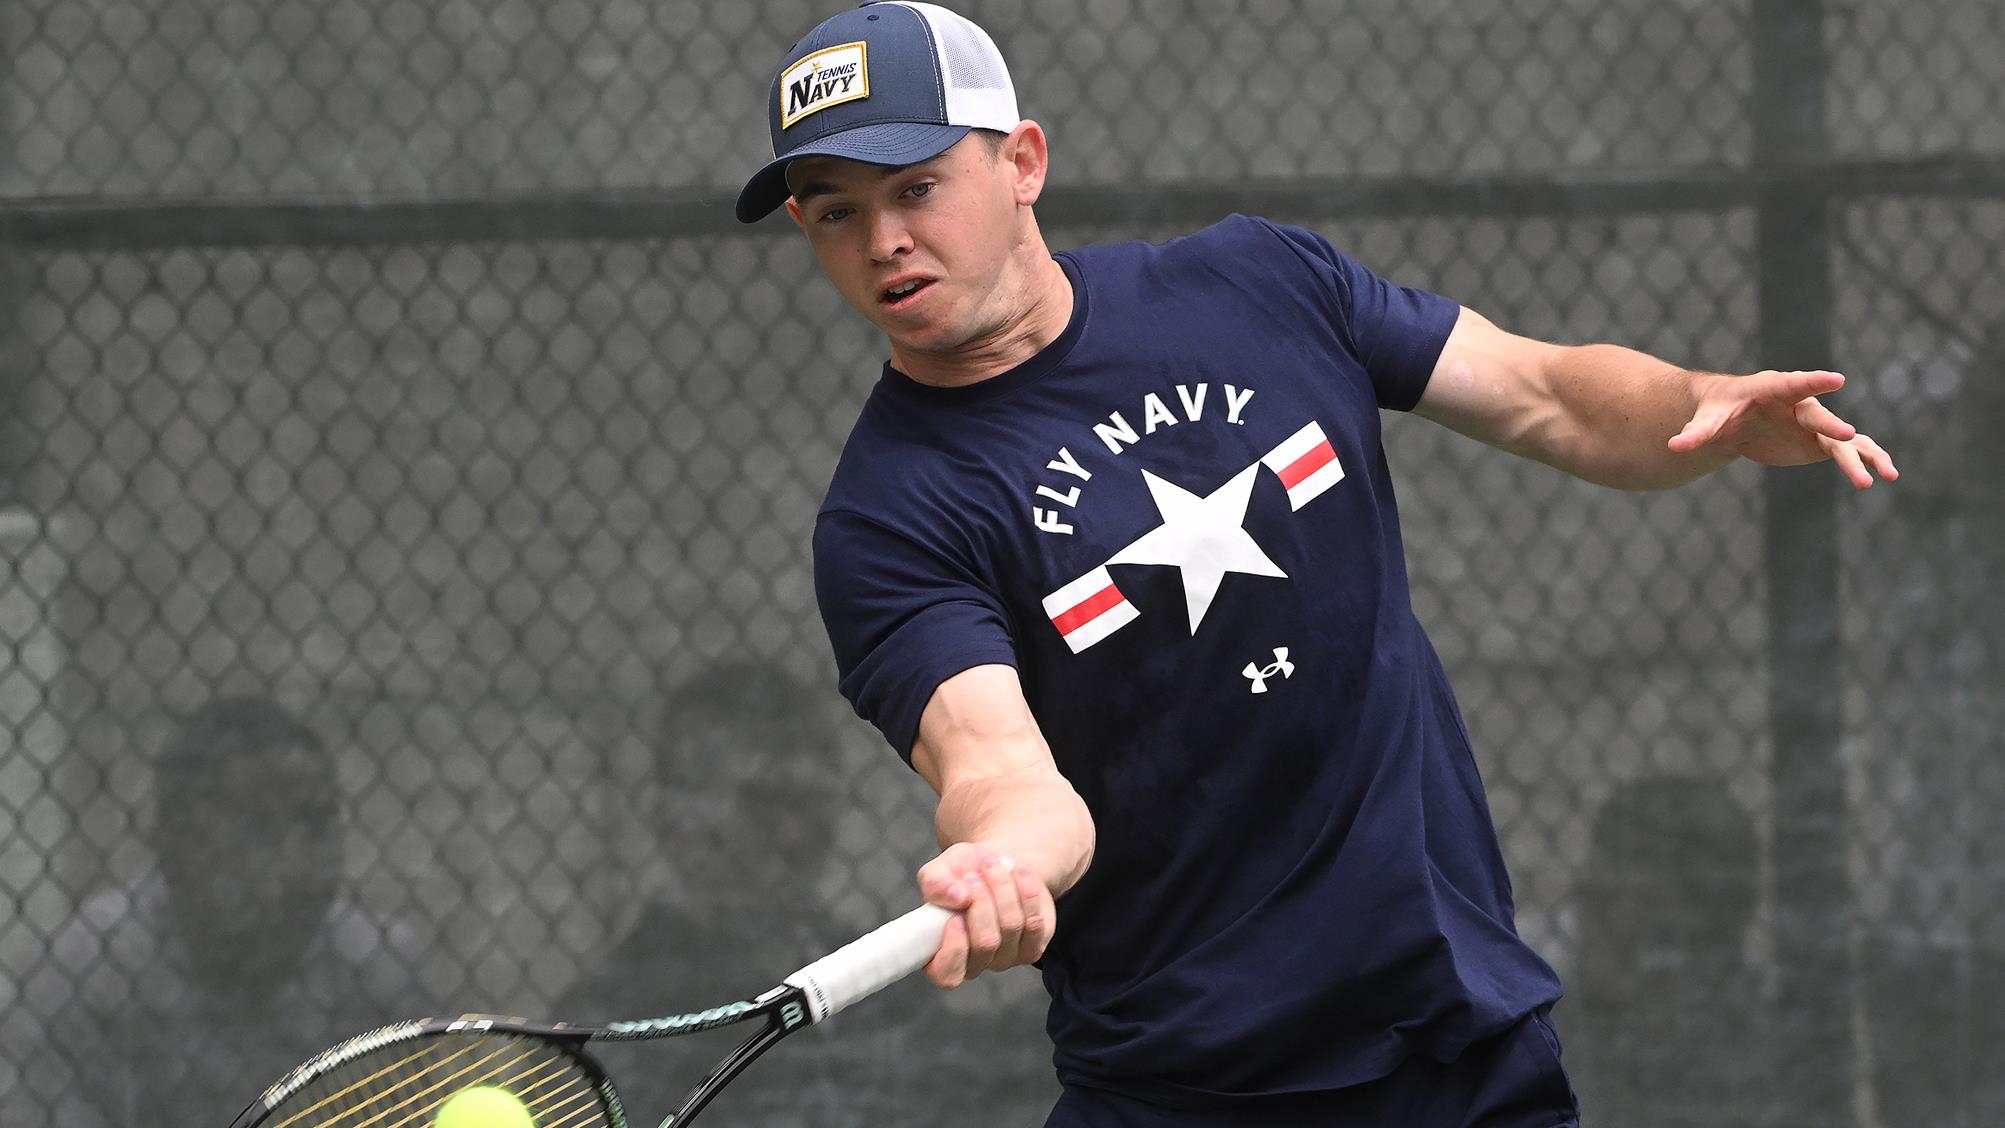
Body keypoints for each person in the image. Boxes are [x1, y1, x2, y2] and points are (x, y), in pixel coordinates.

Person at [734, 3, 1898, 1123]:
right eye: (835, 210)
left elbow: (1548, 398)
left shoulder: (1258, 282)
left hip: (1454, 1037)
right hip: (1187, 1088)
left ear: (1021, 161)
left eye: (917, 188)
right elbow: (999, 766)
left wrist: (1699, 405)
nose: (883, 241)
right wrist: (1001, 862)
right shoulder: (888, 519)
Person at [8, 695, 424, 1126]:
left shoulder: (376, 971)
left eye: (315, 822)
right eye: (256, 829)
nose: (293, 864)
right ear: (174, 846)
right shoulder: (87, 976)